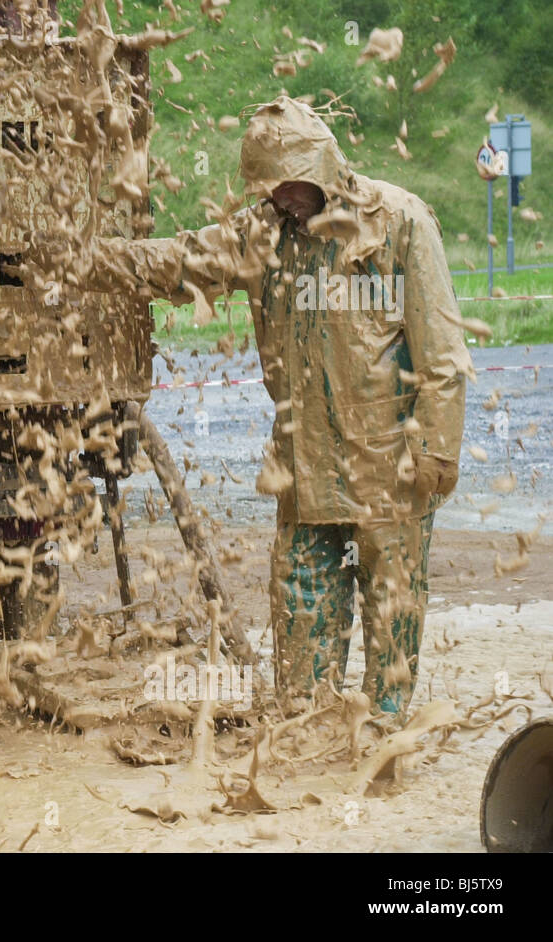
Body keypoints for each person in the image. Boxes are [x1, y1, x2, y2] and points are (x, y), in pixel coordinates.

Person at [77, 96, 471, 718]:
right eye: (271, 188)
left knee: (392, 617)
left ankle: (386, 743)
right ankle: (307, 735)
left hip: (389, 471)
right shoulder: (262, 235)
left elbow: (444, 353)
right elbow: (182, 259)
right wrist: (89, 261)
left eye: (293, 184)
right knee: (300, 627)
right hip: (305, 468)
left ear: (321, 166)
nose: (285, 199)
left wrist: (437, 452)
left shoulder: (398, 223)